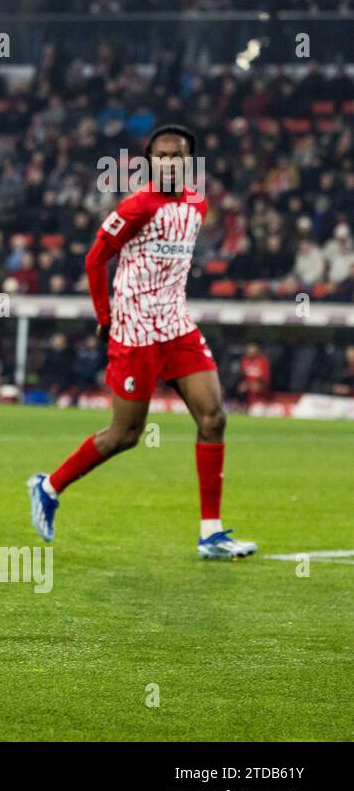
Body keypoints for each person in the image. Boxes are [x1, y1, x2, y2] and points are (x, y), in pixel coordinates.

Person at [27, 125, 257, 561]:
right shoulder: (136, 206)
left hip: (177, 324)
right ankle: (49, 485)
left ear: (190, 163)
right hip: (135, 331)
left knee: (213, 418)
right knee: (126, 434)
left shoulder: (198, 202)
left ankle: (211, 534)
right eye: (162, 156)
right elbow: (95, 258)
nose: (169, 163)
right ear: (151, 162)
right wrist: (104, 316)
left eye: (178, 156)